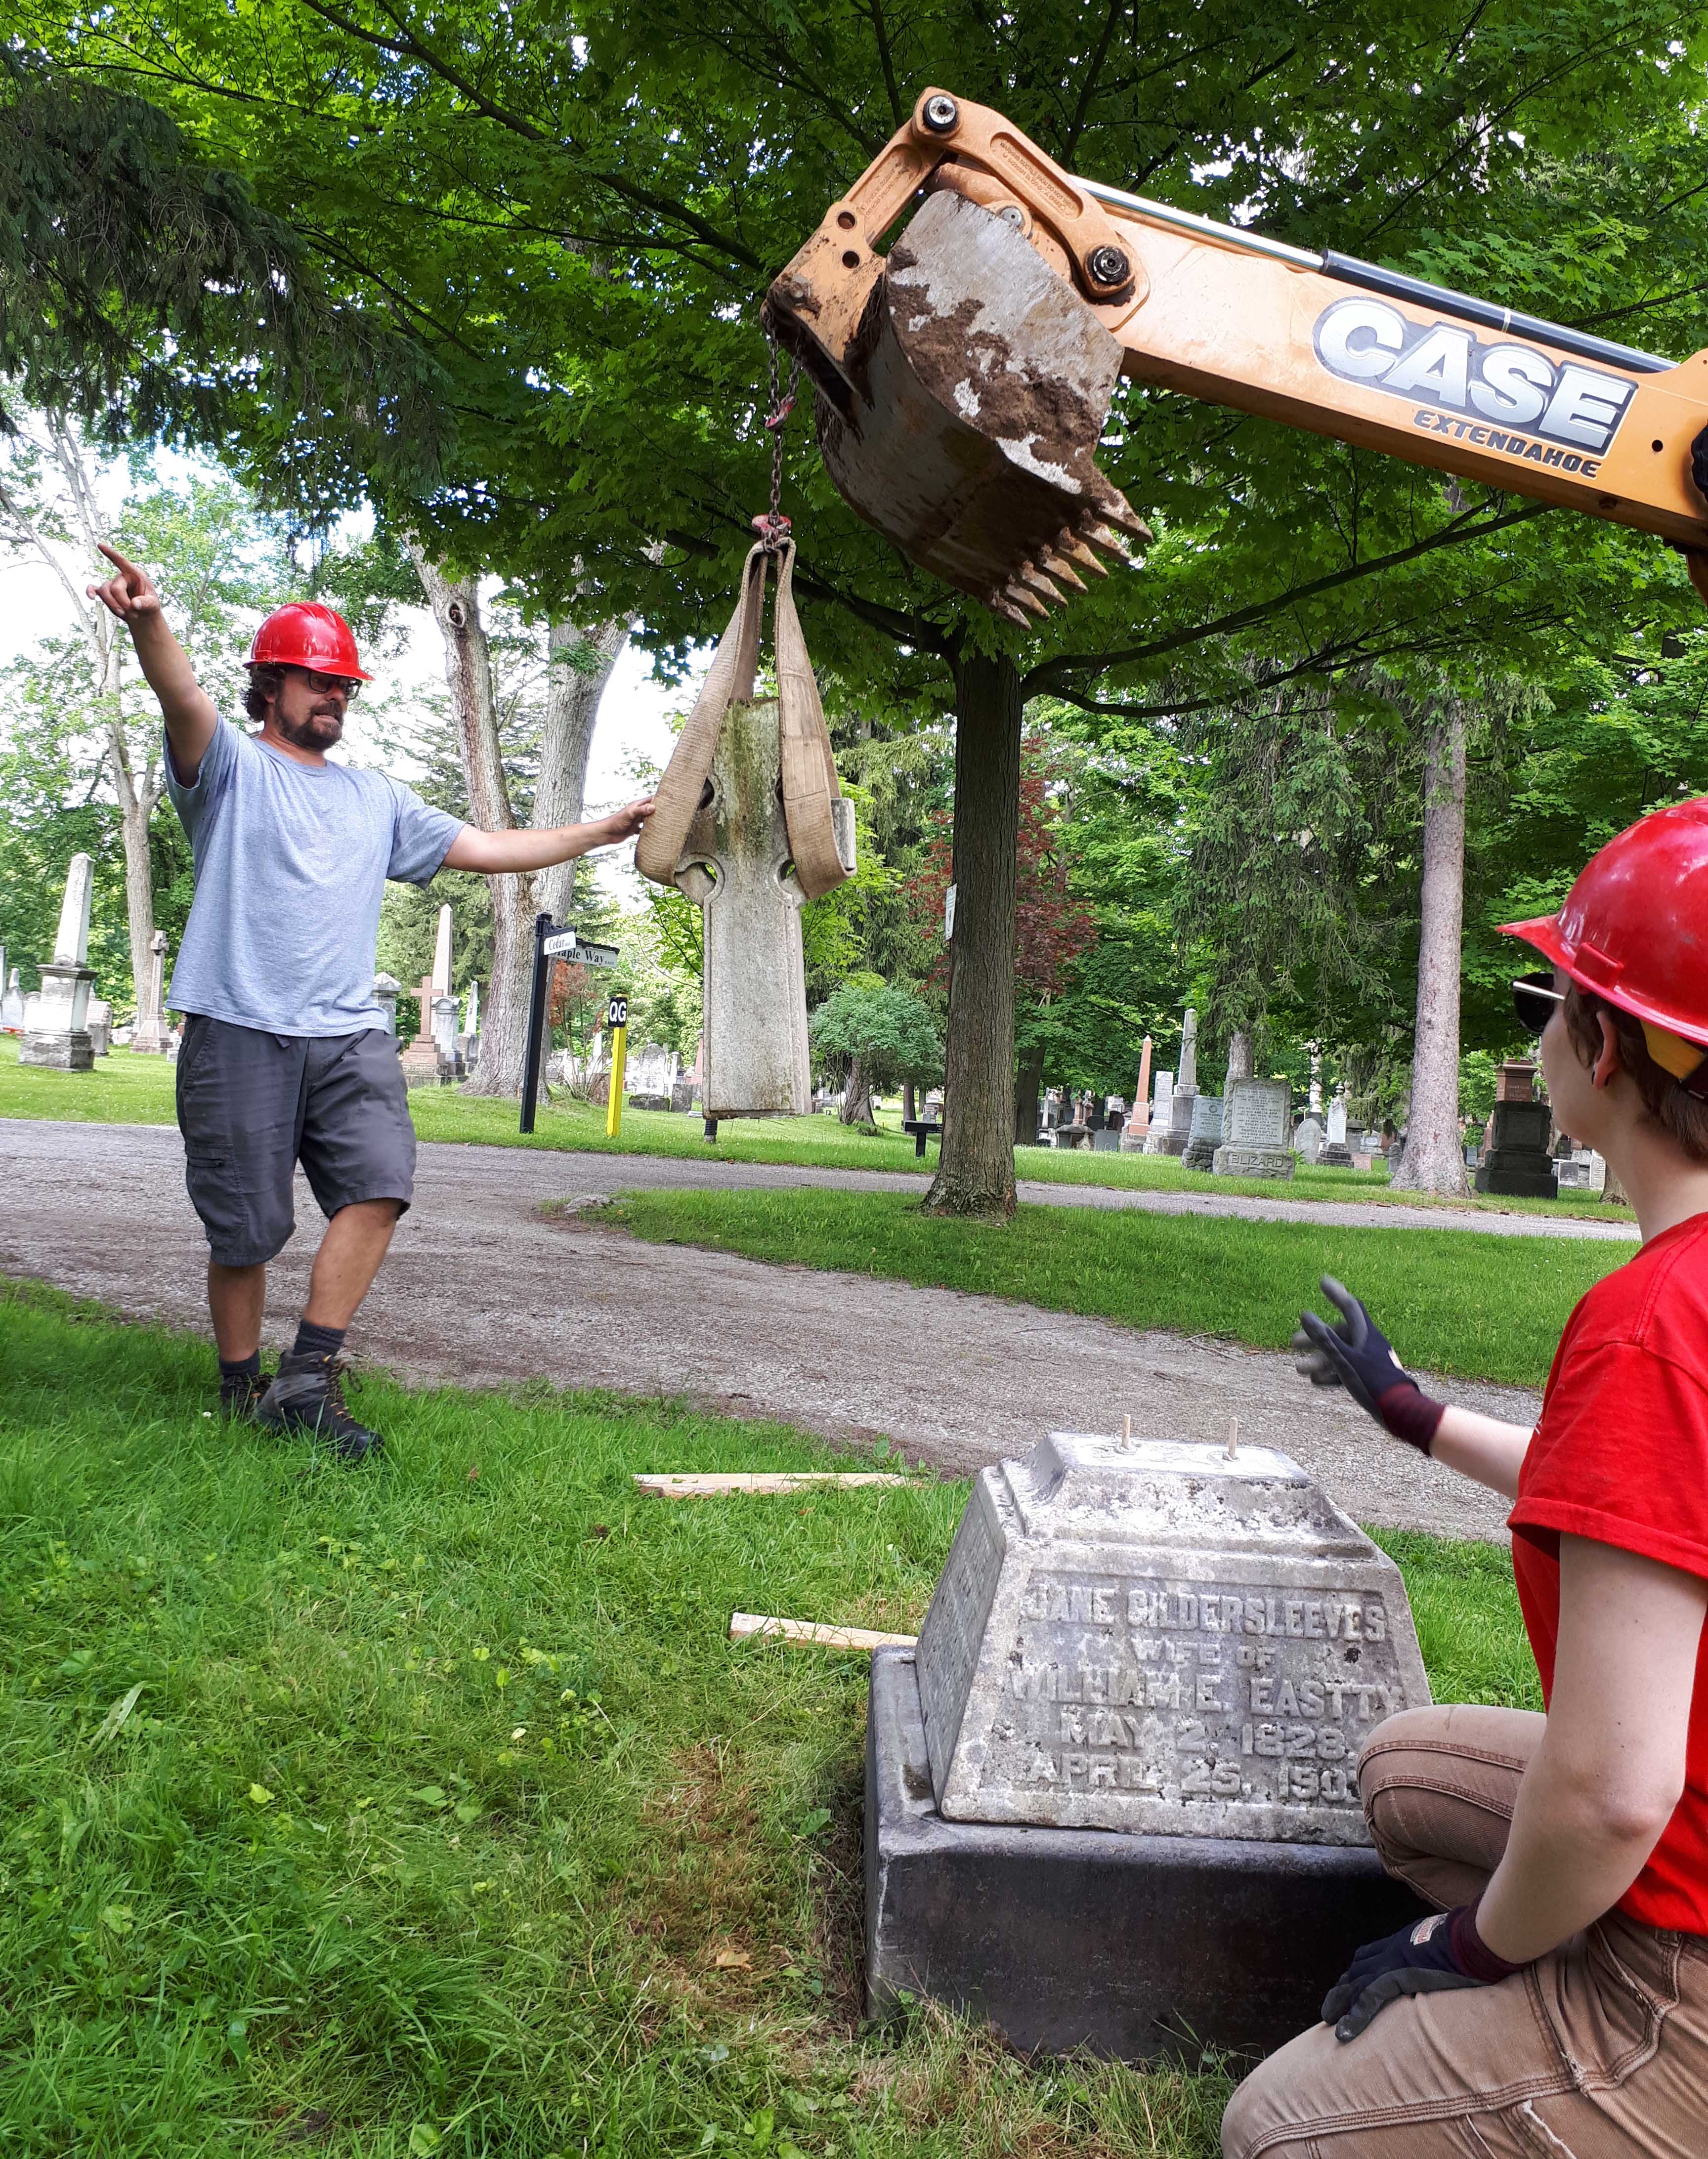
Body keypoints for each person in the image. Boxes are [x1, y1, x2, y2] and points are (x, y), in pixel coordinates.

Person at [1224, 798, 1708, 2158]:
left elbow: (1615, 1790)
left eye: (1553, 1001)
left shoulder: (1658, 1321)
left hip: (1687, 1960)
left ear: (1606, 1046)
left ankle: (1593, 2044)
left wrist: (1475, 1950)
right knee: (1405, 1773)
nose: (1539, 1033)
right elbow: (1637, 1501)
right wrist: (1411, 1411)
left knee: (1277, 2132)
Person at [86, 544, 653, 1463]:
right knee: (247, 1229)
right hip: (239, 1025)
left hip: (348, 1034)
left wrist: (605, 827)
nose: (334, 699)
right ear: (270, 686)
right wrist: (152, 623)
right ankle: (242, 1389)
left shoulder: (376, 799)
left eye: (345, 686)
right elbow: (181, 699)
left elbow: (491, 846)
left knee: (381, 1182)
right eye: (317, 681)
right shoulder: (226, 768)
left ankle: (308, 1377)